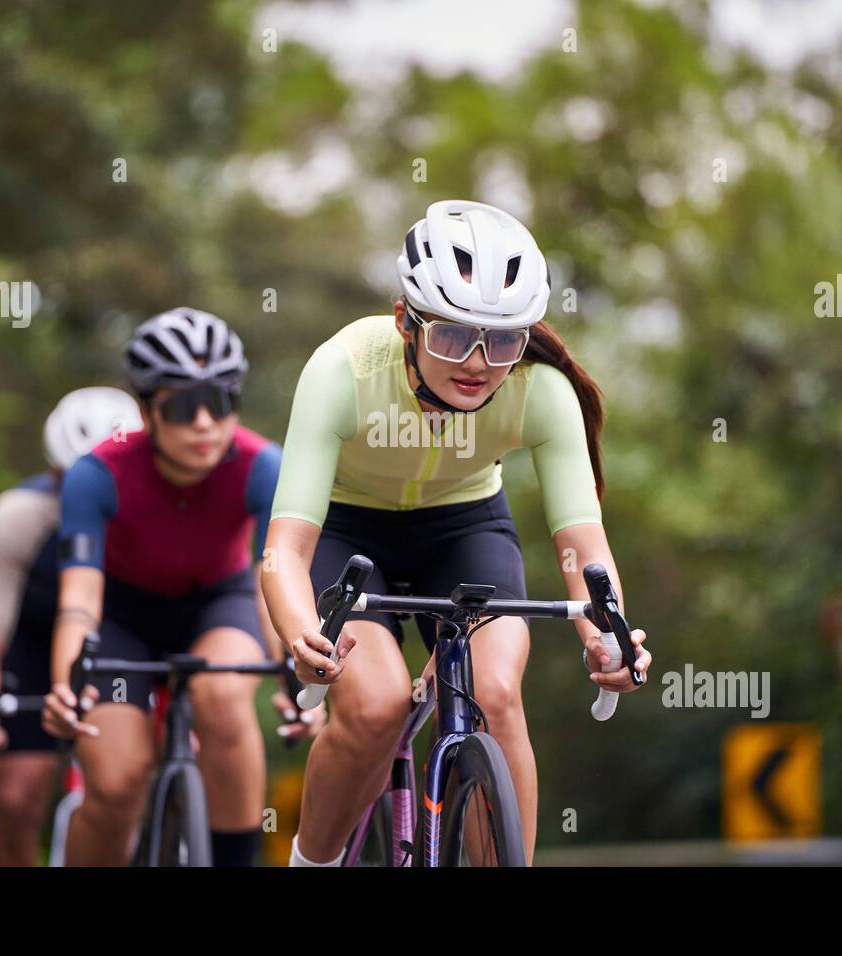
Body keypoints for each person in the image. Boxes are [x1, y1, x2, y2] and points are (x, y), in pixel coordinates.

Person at [261, 199, 652, 866]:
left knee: (495, 692)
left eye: (503, 340)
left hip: (464, 529)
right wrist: (303, 637)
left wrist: (606, 635)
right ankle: (313, 861)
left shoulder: (542, 389)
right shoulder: (343, 369)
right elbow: (283, 555)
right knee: (379, 704)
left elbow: (584, 553)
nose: (477, 362)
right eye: (452, 337)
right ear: (404, 322)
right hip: (348, 531)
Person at [41, 308, 315, 867]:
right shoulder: (98, 474)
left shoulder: (262, 466)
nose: (205, 424)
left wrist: (298, 675)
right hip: (122, 617)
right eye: (183, 407)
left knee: (223, 696)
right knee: (116, 783)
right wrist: (66, 684)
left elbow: (275, 582)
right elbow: (78, 603)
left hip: (219, 603)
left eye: (220, 403)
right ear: (145, 410)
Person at [0, 387, 143, 866]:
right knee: (16, 800)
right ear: (55, 473)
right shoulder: (17, 518)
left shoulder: (161, 521)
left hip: (128, 647)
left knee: (127, 784)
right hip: (35, 650)